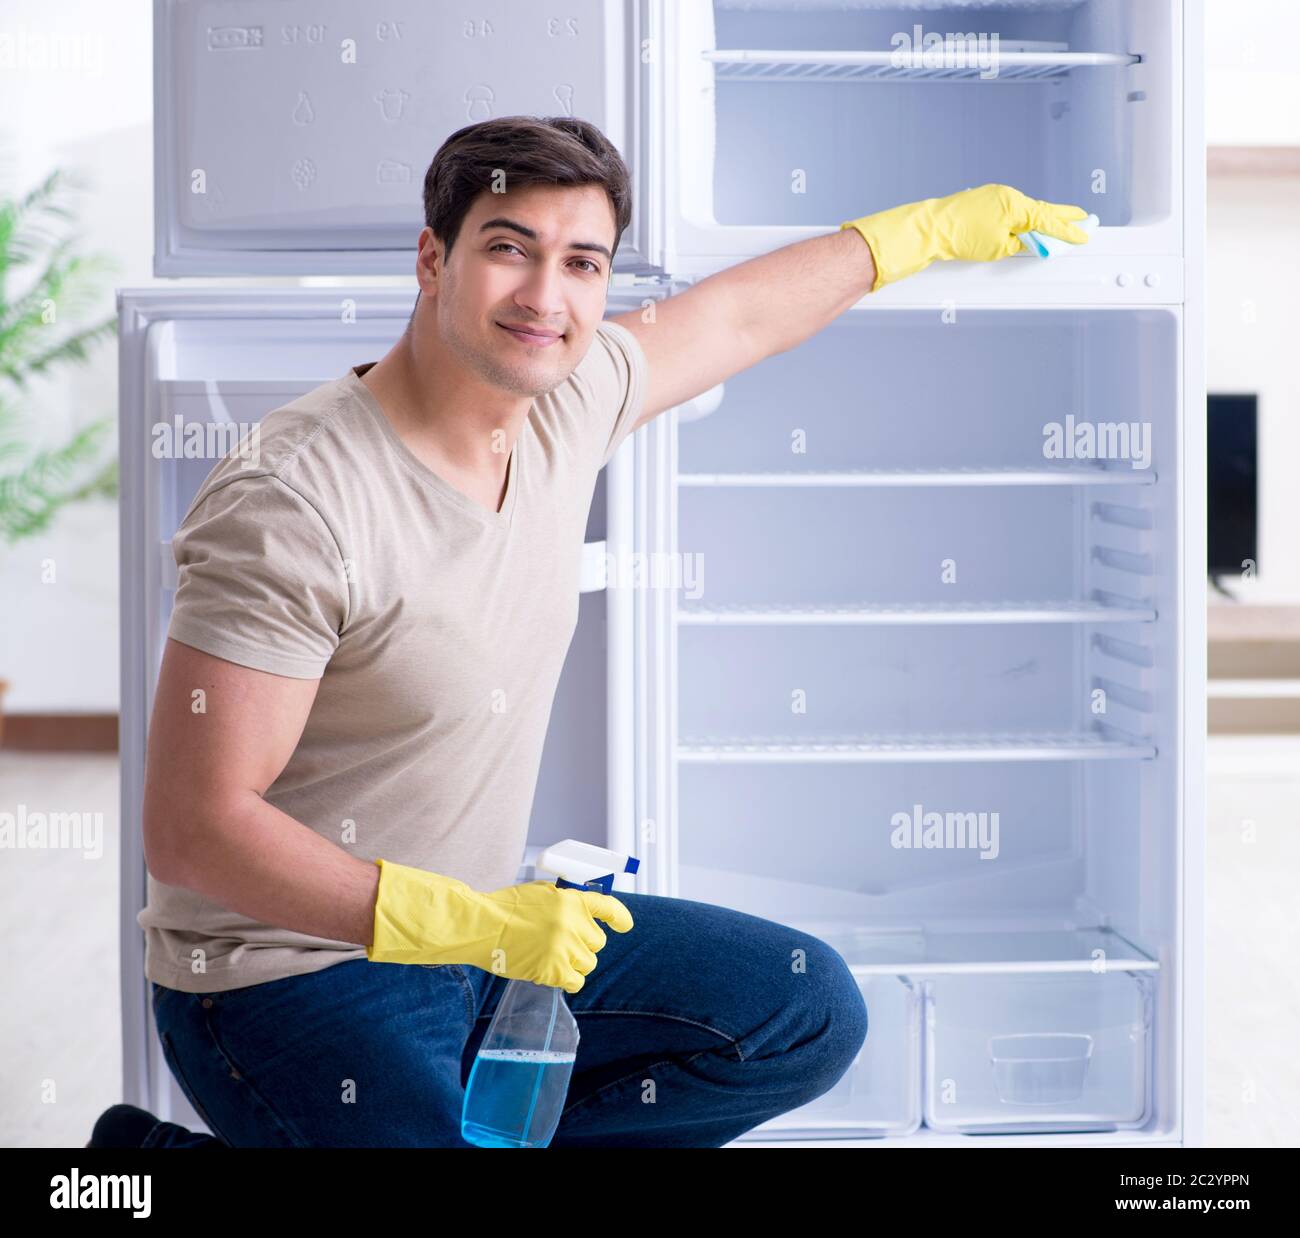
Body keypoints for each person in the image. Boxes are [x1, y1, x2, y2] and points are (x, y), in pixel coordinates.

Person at [91, 115, 1088, 1148]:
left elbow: (738, 318)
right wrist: (473, 923)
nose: (543, 295)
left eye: (581, 263)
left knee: (805, 1011)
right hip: (287, 977)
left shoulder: (567, 400)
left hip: (491, 946)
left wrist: (923, 231)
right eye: (508, 246)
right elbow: (196, 825)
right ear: (433, 258)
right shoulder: (295, 497)